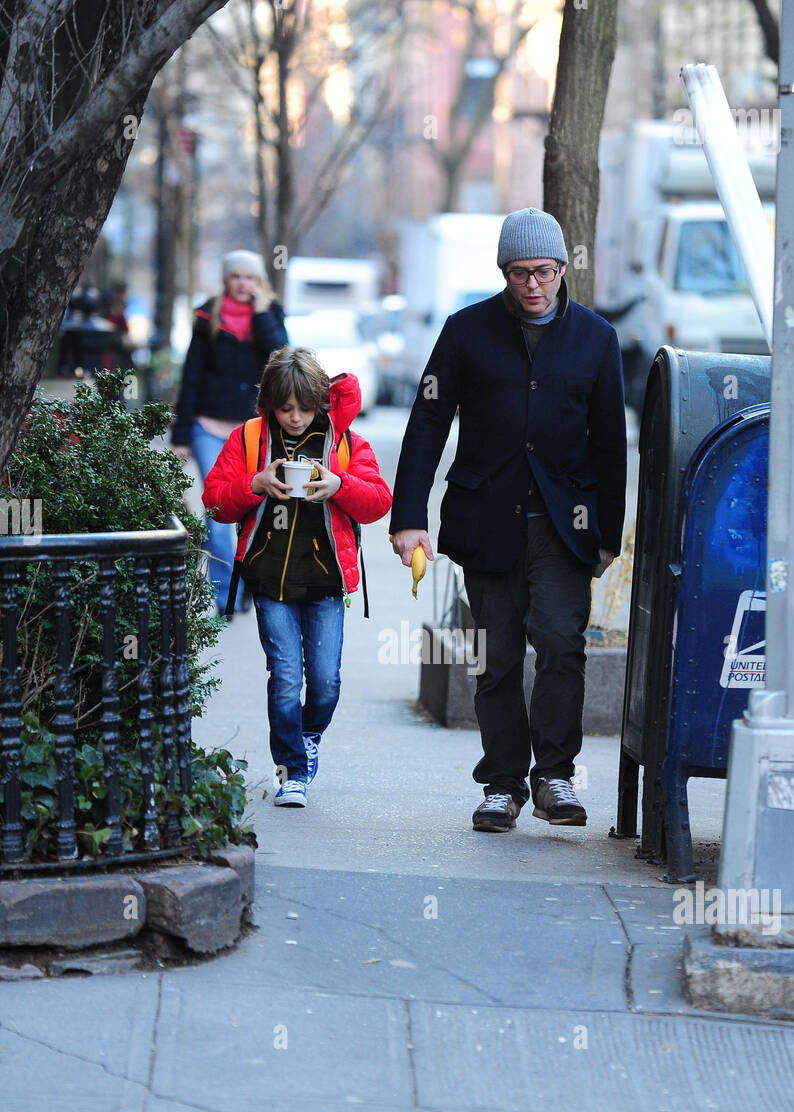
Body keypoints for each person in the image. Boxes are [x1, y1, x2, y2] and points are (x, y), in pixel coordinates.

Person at [389, 207, 627, 833]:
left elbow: (610, 443)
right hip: (487, 518)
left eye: (543, 272)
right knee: (495, 657)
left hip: (563, 523)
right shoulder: (466, 332)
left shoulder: (597, 340)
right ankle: (501, 784)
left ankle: (554, 775)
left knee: (560, 642)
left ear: (561, 269)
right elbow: (427, 424)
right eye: (520, 273)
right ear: (504, 273)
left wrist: (608, 533)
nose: (532, 285)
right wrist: (408, 515)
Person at [201, 347, 392, 807]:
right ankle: (292, 771)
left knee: (326, 682)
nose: (295, 417)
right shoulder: (248, 439)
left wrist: (339, 485)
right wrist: (255, 484)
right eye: (285, 408)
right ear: (269, 403)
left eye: (305, 408)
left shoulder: (344, 442)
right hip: (269, 582)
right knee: (285, 677)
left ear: (321, 403)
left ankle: (307, 735)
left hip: (326, 584)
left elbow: (379, 501)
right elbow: (214, 501)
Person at [172, 250, 288, 615]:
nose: (243, 283)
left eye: (250, 277)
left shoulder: (270, 314)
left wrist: (262, 313)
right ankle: (227, 596)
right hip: (208, 427)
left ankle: (252, 580)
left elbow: (283, 358)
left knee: (257, 510)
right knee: (219, 509)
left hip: (254, 430)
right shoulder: (207, 315)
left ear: (259, 282)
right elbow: (191, 376)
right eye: (236, 276)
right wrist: (180, 435)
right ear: (226, 280)